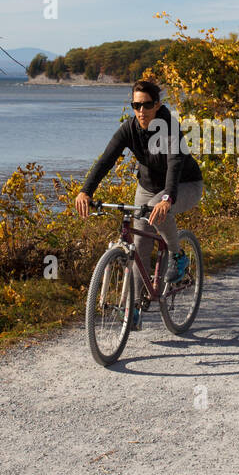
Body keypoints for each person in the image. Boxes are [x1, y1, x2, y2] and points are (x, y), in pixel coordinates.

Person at [75, 79, 204, 330]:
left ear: (157, 105)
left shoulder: (169, 127)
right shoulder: (129, 128)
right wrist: (85, 191)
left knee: (157, 210)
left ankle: (178, 256)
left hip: (185, 185)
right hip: (146, 187)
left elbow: (175, 163)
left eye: (146, 105)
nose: (141, 111)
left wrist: (168, 198)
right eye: (136, 105)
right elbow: (106, 160)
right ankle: (132, 309)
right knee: (139, 247)